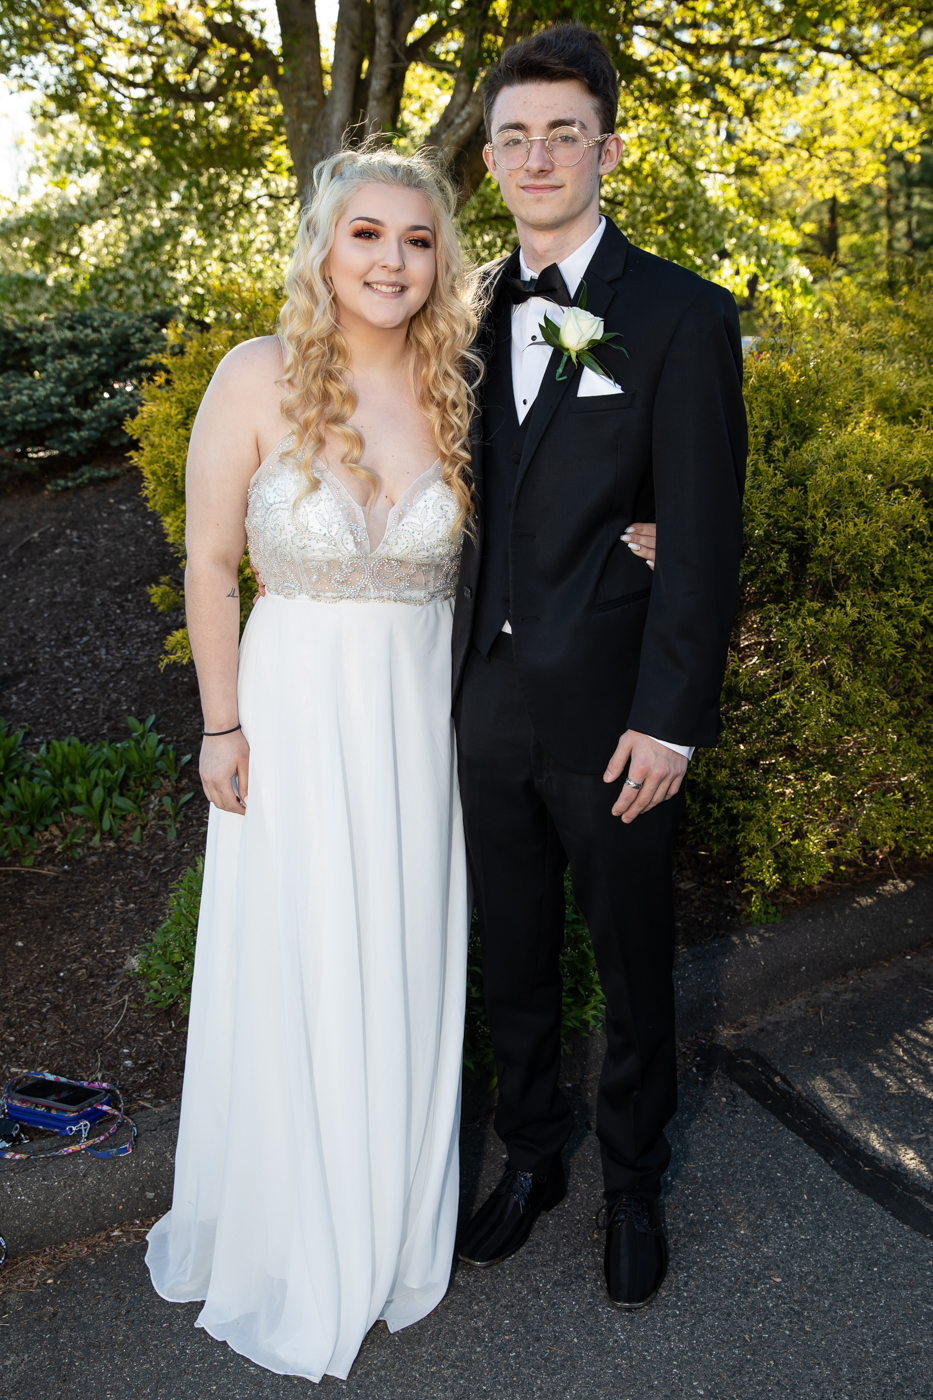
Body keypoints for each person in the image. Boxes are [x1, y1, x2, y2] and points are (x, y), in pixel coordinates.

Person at [145, 148, 482, 1383]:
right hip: (288, 717)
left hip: (415, 733)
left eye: (416, 239)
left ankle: (386, 1223)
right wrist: (221, 723)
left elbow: (559, 506)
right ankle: (293, 1230)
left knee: (394, 955)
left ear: (439, 257)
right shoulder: (252, 377)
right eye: (366, 236)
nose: (392, 260)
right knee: (299, 959)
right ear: (324, 250)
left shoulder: (462, 384)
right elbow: (208, 564)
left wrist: (642, 519)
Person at [452, 25, 746, 1310]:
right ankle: (536, 1157)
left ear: (607, 148)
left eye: (563, 131)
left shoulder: (681, 313)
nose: (536, 155)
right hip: (482, 705)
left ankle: (633, 1180)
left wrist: (672, 721)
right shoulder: (460, 311)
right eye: (514, 135)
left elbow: (706, 529)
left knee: (629, 962)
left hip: (621, 711)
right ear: (493, 157)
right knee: (509, 954)